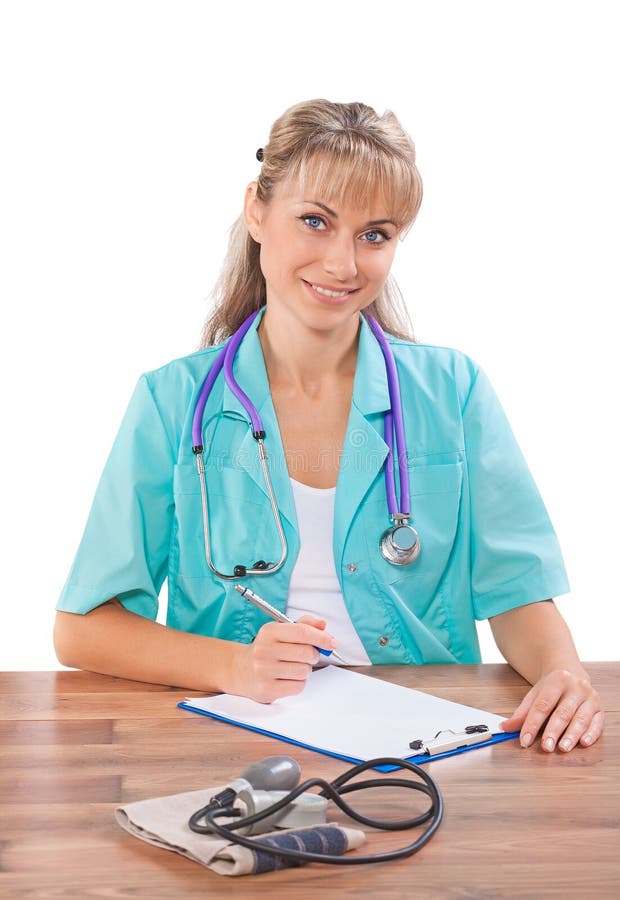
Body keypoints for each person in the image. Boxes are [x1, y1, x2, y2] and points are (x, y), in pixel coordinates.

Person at [54, 99, 603, 754]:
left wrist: (563, 673)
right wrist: (233, 667)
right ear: (257, 210)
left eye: (375, 234)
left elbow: (518, 597)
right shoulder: (172, 401)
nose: (344, 263)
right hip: (233, 740)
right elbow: (84, 628)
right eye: (316, 221)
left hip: (425, 741)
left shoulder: (454, 392)